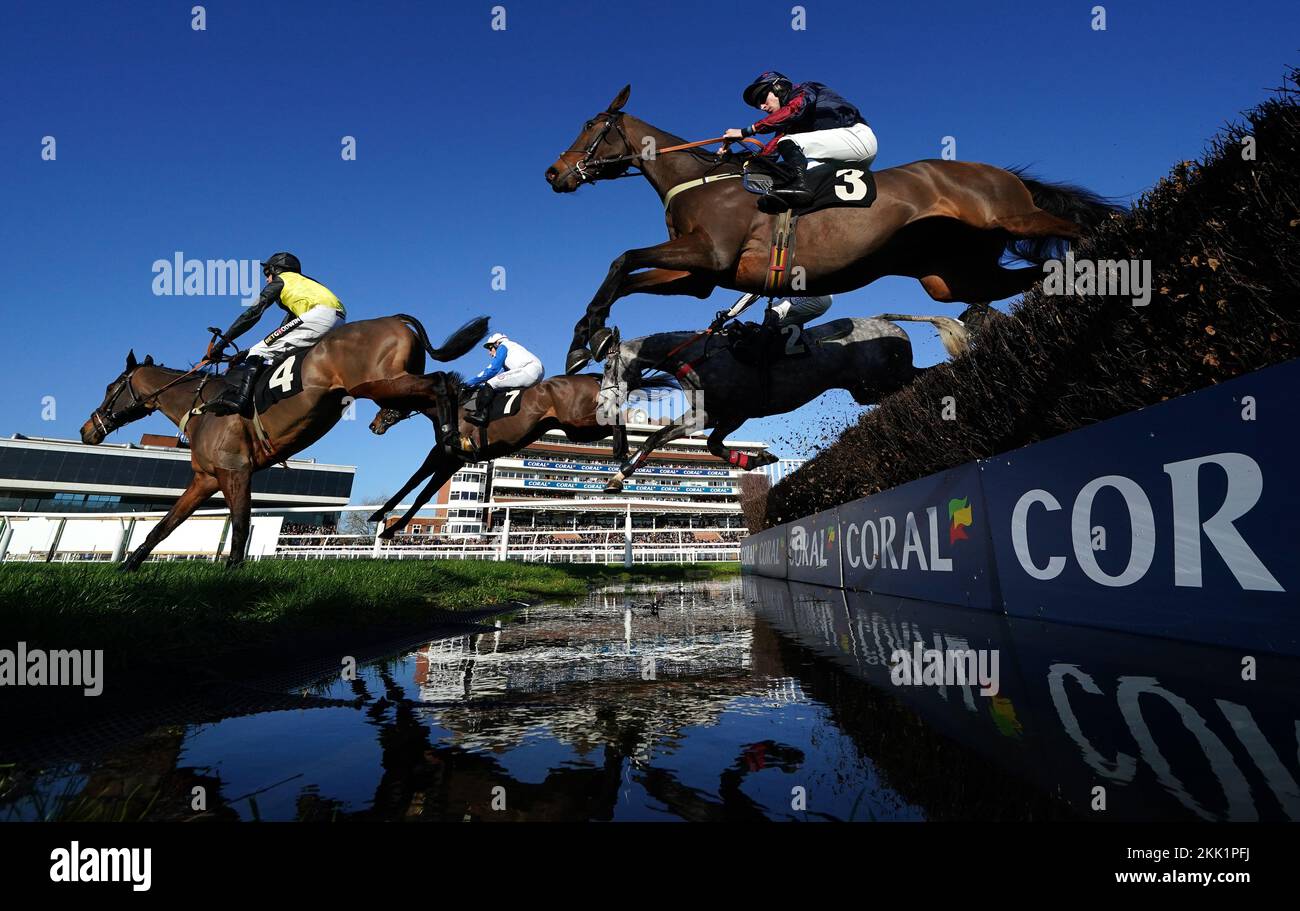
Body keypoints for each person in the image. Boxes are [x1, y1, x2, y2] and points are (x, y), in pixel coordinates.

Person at [201, 252, 346, 417]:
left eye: (267, 274)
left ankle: (240, 400)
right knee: (271, 354)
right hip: (338, 320)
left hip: (319, 316)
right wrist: (247, 353)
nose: (267, 279)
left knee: (259, 351)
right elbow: (282, 331)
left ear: (276, 270)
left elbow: (252, 313)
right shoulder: (306, 284)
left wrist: (222, 344)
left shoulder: (281, 280)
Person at [722, 71, 876, 208]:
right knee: (789, 171)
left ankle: (801, 189)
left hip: (857, 137)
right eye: (758, 105)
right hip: (839, 155)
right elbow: (769, 154)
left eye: (763, 98)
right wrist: (730, 158)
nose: (762, 107)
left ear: (779, 88)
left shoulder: (806, 89)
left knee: (789, 143)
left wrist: (747, 131)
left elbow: (794, 109)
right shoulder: (790, 127)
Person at [463, 332, 544, 426]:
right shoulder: (512, 349)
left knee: (491, 383)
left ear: (497, 343)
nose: (490, 353)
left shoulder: (503, 346)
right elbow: (502, 376)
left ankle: (482, 415)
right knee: (496, 384)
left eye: (490, 348)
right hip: (536, 371)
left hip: (528, 371)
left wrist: (469, 383)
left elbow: (492, 370)